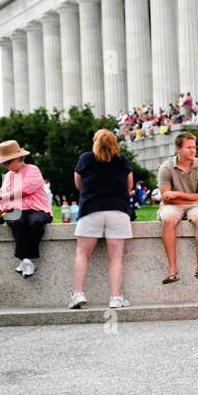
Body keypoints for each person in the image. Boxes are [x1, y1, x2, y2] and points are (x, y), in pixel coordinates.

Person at [68, 128, 134, 310]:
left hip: (91, 209)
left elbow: (78, 184)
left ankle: (78, 293)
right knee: (116, 257)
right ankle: (115, 297)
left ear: (95, 142)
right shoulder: (122, 160)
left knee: (82, 254)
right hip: (118, 210)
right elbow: (129, 185)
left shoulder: (85, 158)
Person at [157, 131, 198, 284]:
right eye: (188, 147)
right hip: (174, 205)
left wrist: (177, 194)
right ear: (178, 149)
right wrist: (178, 197)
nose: (192, 151)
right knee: (168, 220)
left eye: (194, 147)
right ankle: (172, 270)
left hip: (196, 205)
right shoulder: (166, 167)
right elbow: (166, 197)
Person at [0, 139, 52, 277]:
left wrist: (7, 196)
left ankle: (25, 259)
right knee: (16, 221)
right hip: (16, 209)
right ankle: (27, 261)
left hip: (37, 208)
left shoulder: (33, 170)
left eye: (8, 162)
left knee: (35, 222)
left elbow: (25, 189)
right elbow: (0, 197)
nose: (6, 166)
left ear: (18, 158)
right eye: (4, 163)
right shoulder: (7, 176)